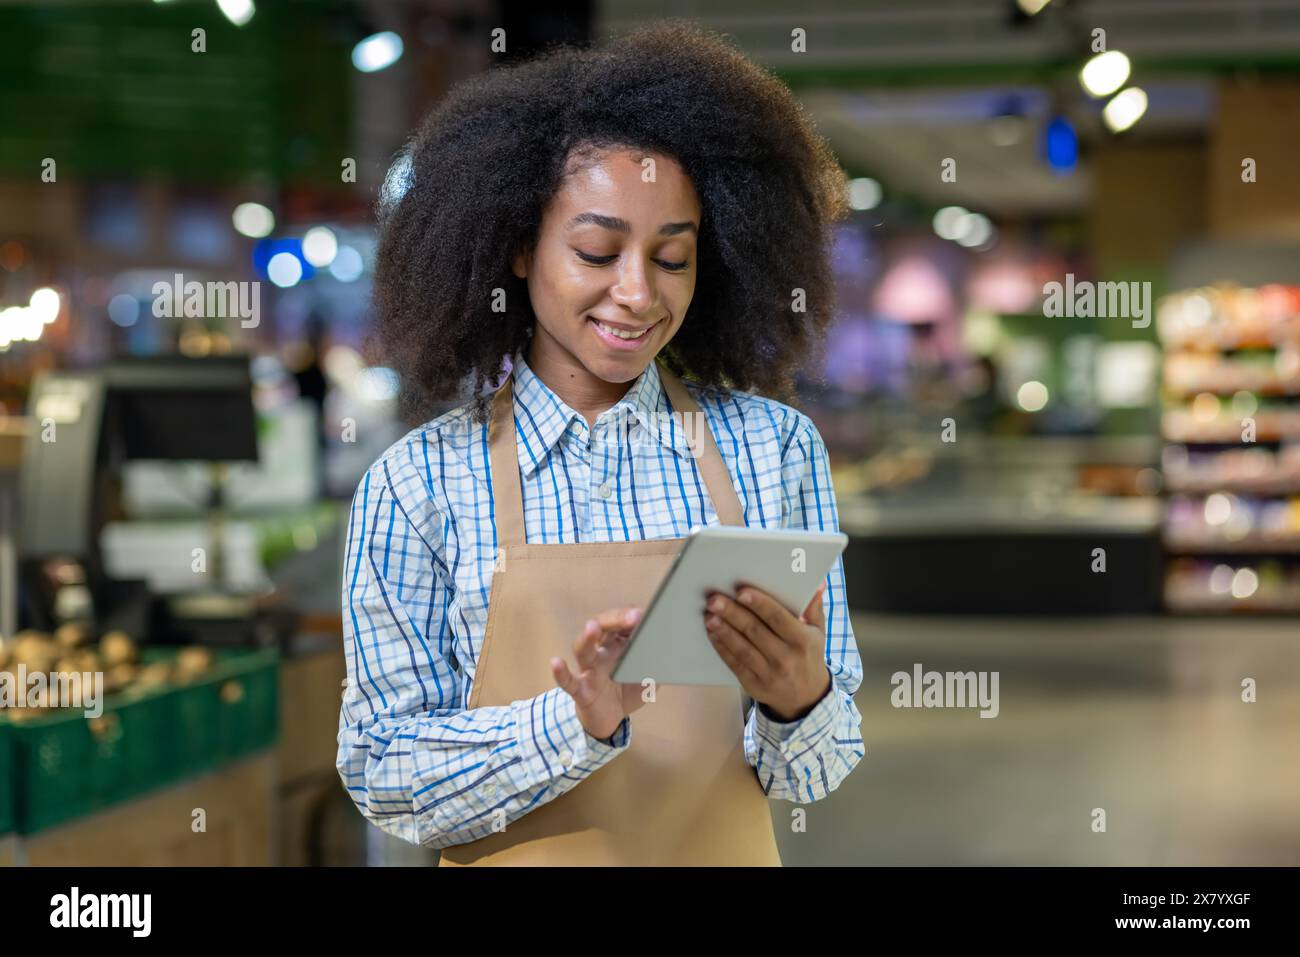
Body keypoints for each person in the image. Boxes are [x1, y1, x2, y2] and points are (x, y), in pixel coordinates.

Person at [338, 22, 864, 866]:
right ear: (516, 246)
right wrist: (571, 724)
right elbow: (381, 771)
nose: (636, 293)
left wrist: (800, 703)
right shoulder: (420, 484)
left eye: (673, 258)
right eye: (596, 249)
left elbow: (821, 769)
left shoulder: (774, 451)